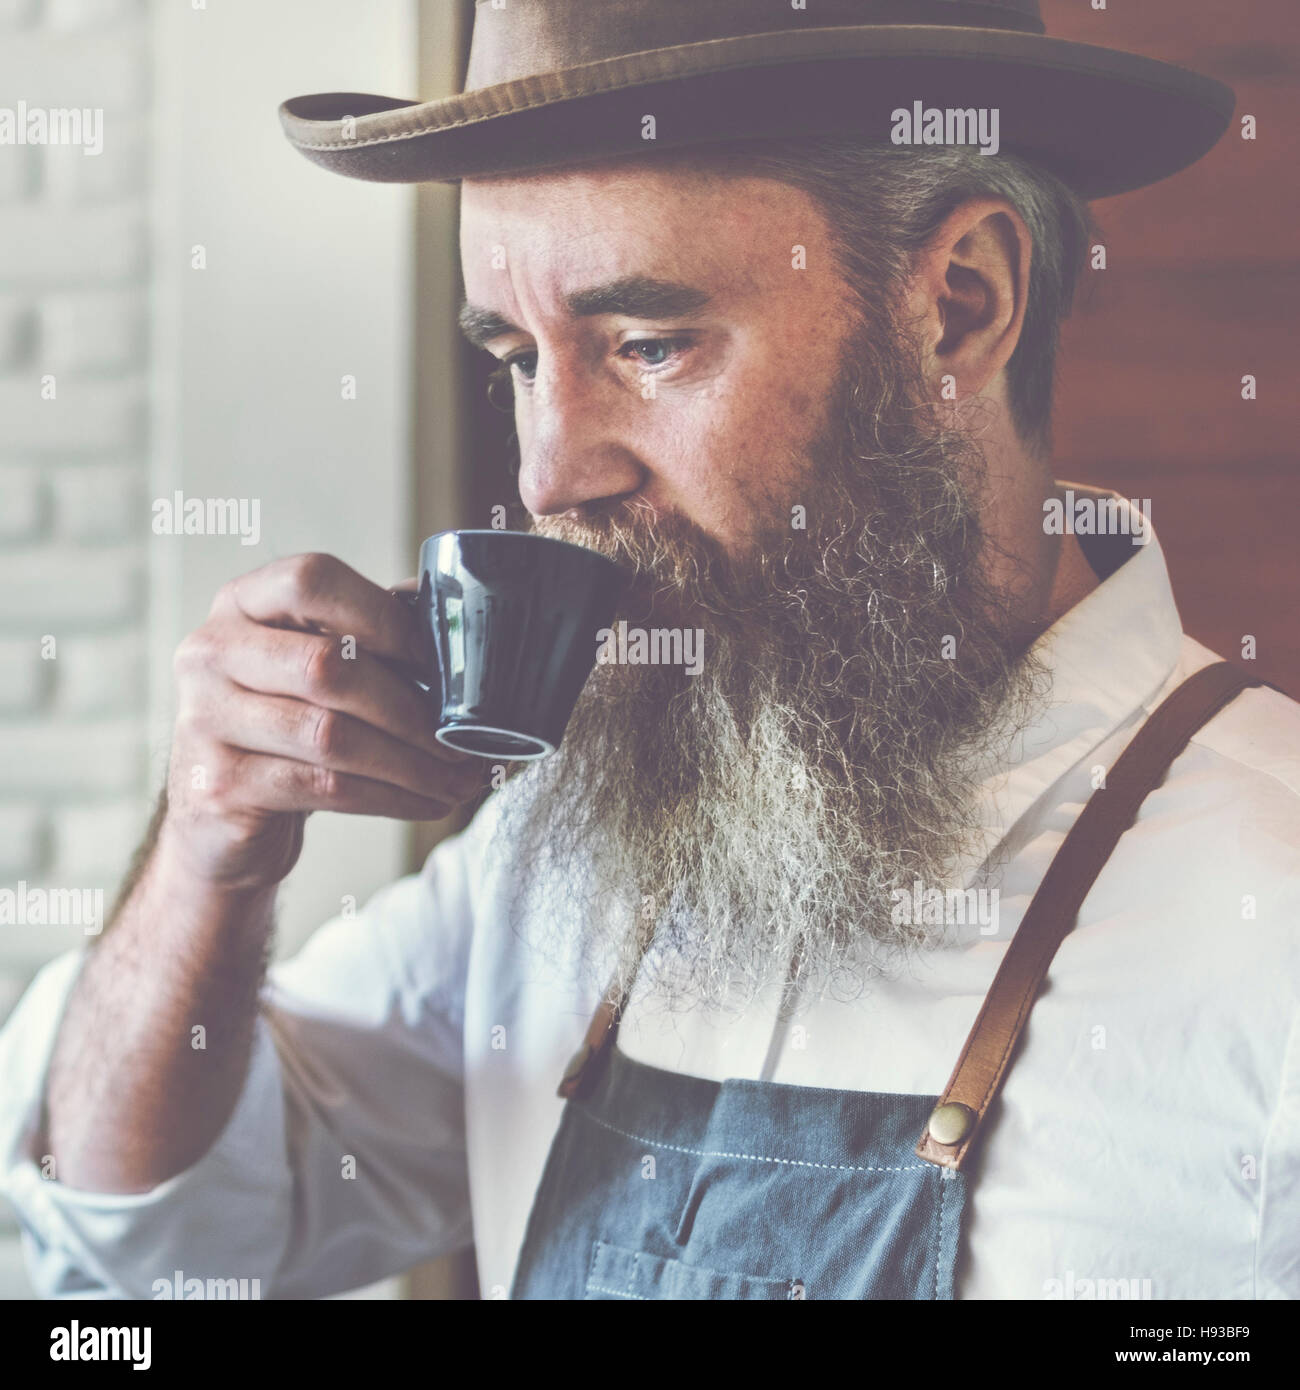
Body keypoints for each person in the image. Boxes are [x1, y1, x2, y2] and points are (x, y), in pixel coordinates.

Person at [2, 0, 1297, 1300]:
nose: (549, 474)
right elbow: (147, 1245)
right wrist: (204, 860)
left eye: (649, 344)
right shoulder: (564, 856)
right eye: (518, 359)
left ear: (961, 306)